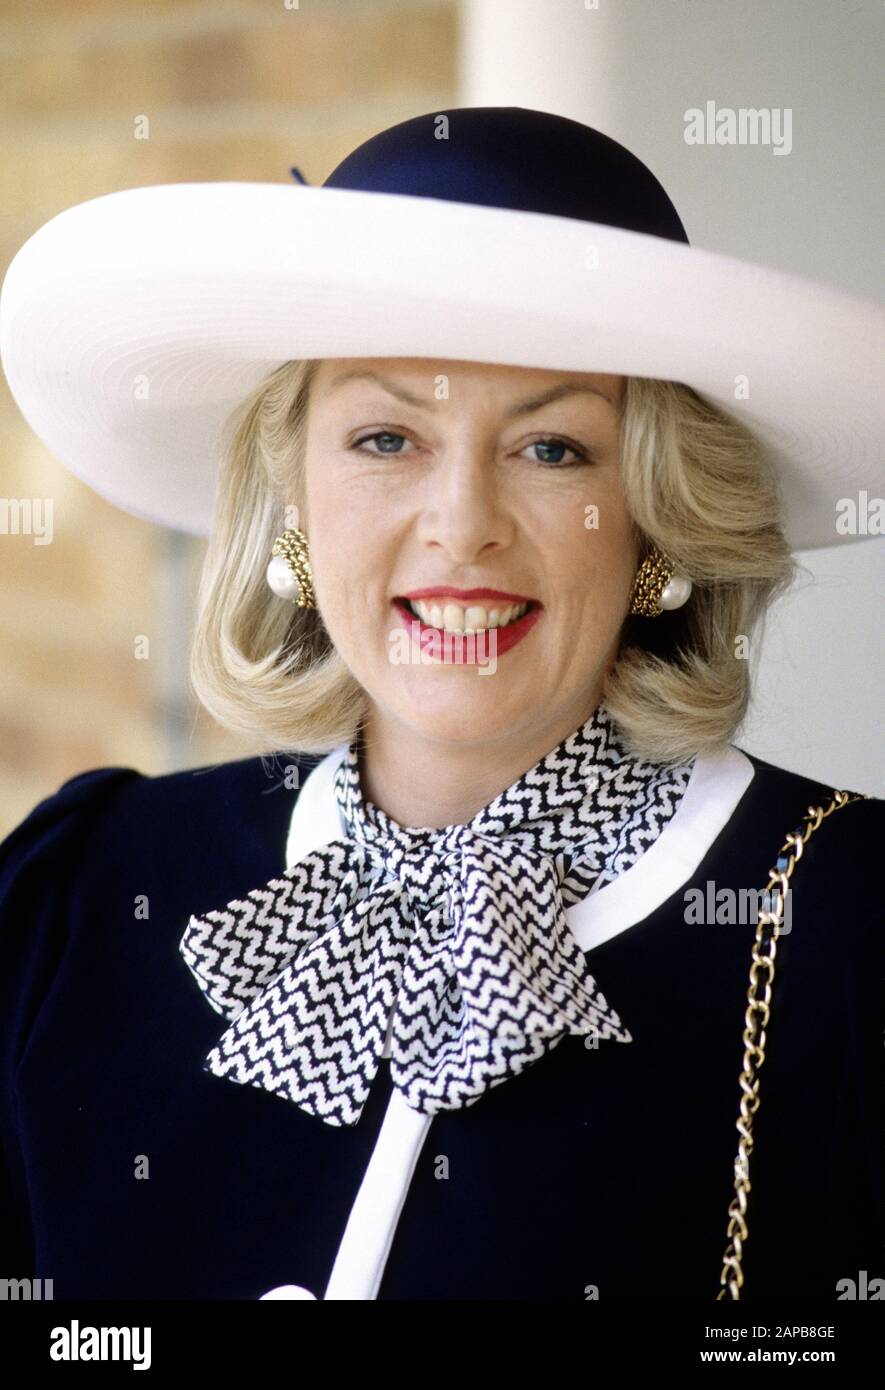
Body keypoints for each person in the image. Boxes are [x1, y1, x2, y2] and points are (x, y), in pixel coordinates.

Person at [0, 107, 881, 1302]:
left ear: (656, 525)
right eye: (384, 435)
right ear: (294, 500)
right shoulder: (80, 894)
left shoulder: (853, 927)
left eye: (554, 449)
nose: (460, 522)